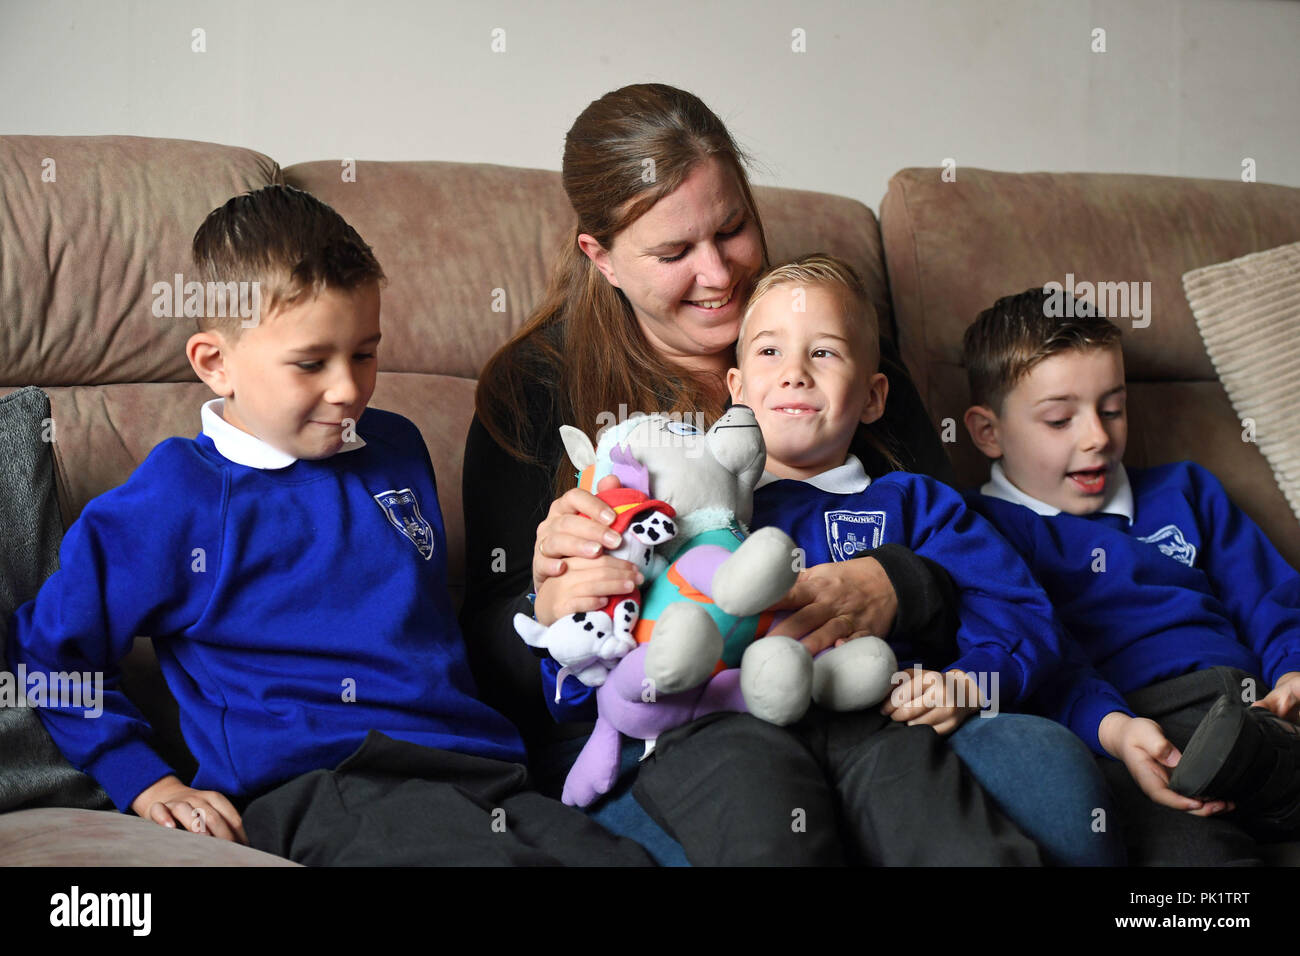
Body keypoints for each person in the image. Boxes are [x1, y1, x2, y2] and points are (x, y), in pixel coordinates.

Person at [461, 83, 1100, 864]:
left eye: (733, 228)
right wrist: (551, 600)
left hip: (867, 704)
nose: (719, 272)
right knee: (761, 802)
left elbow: (962, 543)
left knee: (1050, 783)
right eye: (673, 254)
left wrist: (896, 583)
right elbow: (488, 643)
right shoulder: (533, 384)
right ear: (602, 259)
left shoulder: (836, 353)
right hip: (678, 725)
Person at [6, 185, 652, 866]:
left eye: (365, 353)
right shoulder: (175, 499)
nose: (347, 388)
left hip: (480, 769)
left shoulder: (398, 446)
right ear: (214, 364)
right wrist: (143, 778)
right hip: (323, 783)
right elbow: (50, 652)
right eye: (311, 363)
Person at [703, 253, 1121, 865]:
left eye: (823, 352)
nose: (793, 372)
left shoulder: (914, 501)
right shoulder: (707, 509)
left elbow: (1018, 608)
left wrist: (967, 684)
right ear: (736, 388)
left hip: (895, 724)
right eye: (769, 352)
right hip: (752, 736)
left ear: (873, 398)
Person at [961, 286, 1300, 865]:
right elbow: (1034, 657)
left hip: (1257, 706)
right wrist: (1113, 728)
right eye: (1060, 418)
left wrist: (1292, 669)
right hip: (1141, 728)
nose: (1096, 435)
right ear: (988, 431)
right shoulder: (983, 530)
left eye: (1112, 408)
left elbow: (1269, 598)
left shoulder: (1185, 490)